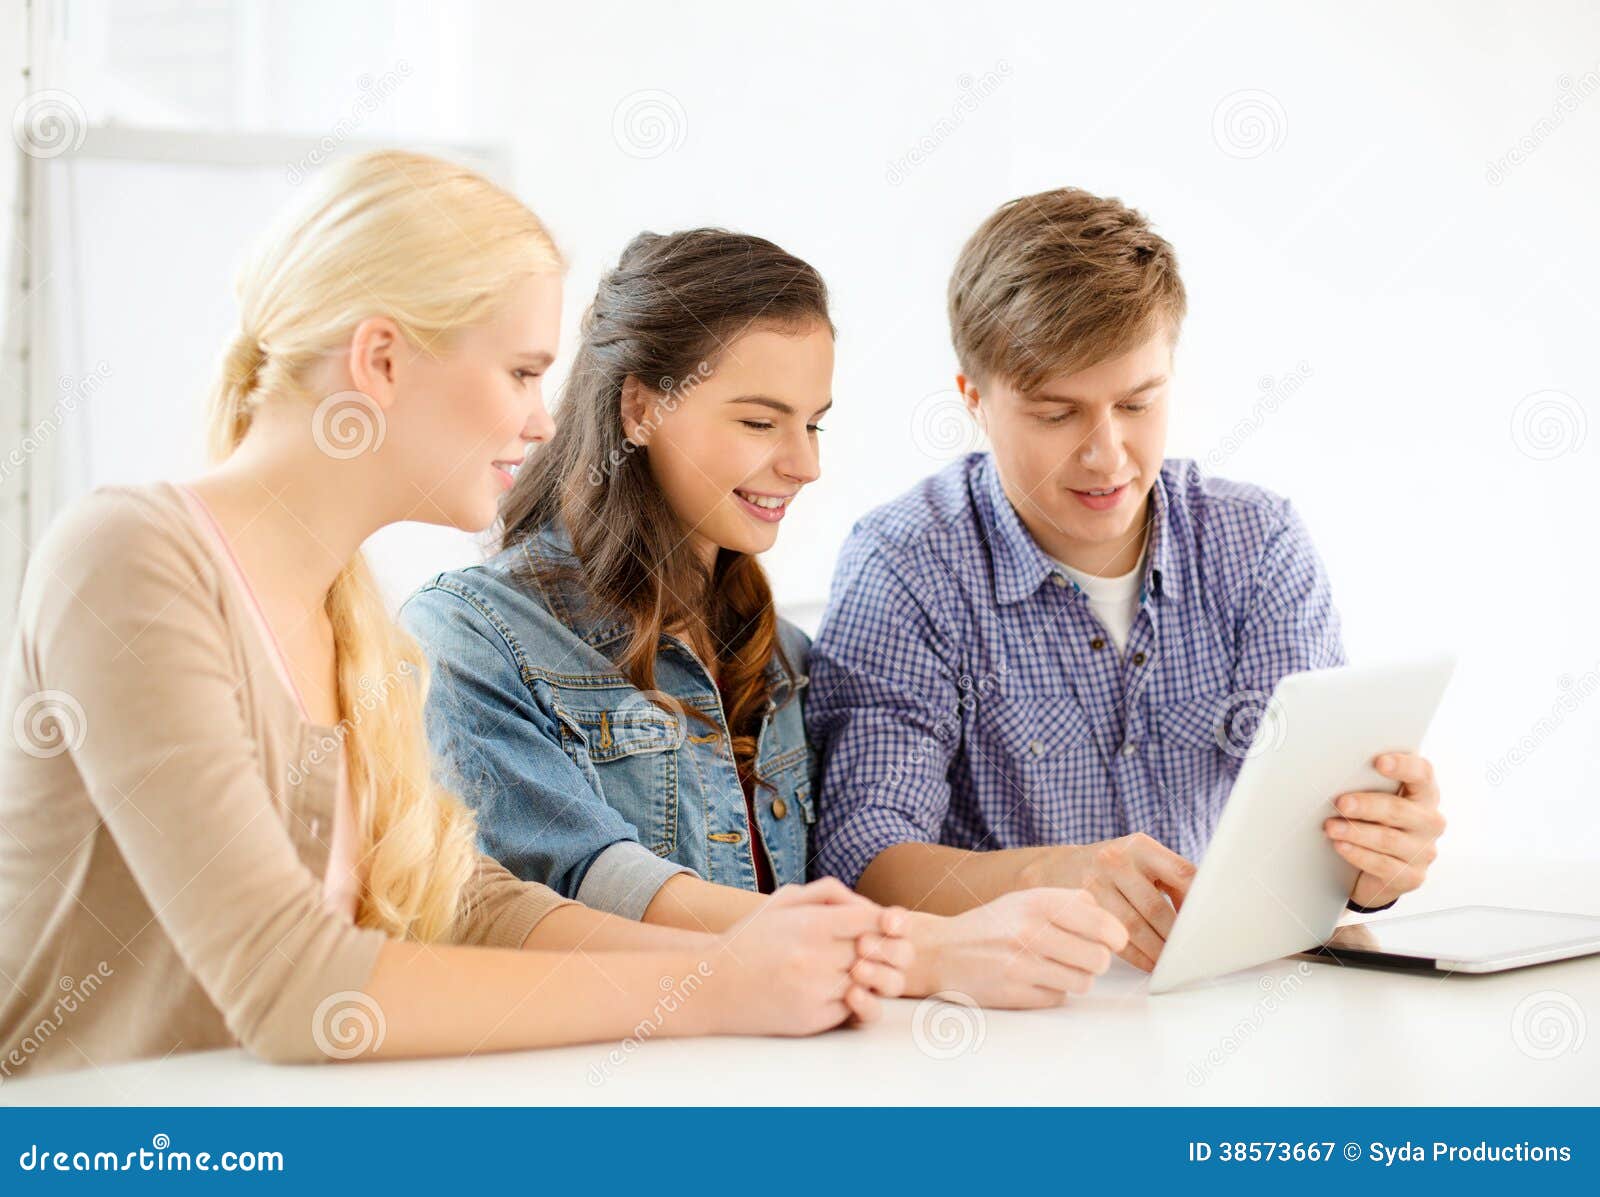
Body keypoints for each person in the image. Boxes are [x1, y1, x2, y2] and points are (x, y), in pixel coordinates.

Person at [0, 151, 911, 1081]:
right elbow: (296, 985)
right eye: (521, 372)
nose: (545, 424)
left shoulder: (353, 620)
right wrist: (714, 987)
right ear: (382, 360)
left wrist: (745, 961)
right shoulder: (131, 557)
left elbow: (464, 900)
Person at [402, 228, 1128, 1010]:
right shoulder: (469, 637)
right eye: (759, 422)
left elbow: (867, 855)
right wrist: (915, 952)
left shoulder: (785, 660)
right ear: (641, 408)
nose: (805, 463)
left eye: (812, 423)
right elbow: (587, 885)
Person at [806, 187, 1446, 972]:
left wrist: (1374, 866)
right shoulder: (905, 564)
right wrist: (1051, 875)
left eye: (1137, 402)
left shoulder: (1257, 544)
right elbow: (861, 858)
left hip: (1229, 994)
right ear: (974, 398)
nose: (1108, 455)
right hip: (1012, 1025)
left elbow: (1315, 832)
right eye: (1055, 414)